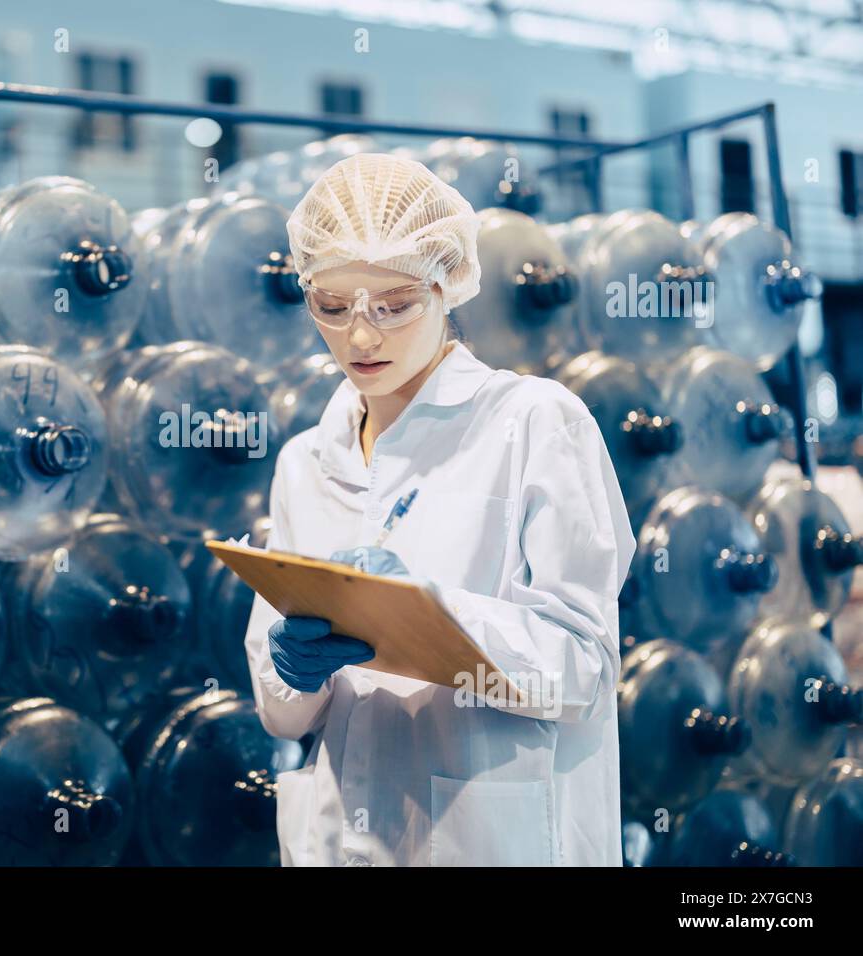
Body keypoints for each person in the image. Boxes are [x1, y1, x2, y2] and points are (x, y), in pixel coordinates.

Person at [243, 152, 635, 866]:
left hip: (488, 837)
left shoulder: (534, 423)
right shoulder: (306, 459)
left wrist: (430, 617)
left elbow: (584, 670)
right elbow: (283, 714)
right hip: (341, 838)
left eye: (394, 306)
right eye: (332, 308)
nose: (361, 338)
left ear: (447, 284)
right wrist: (293, 673)